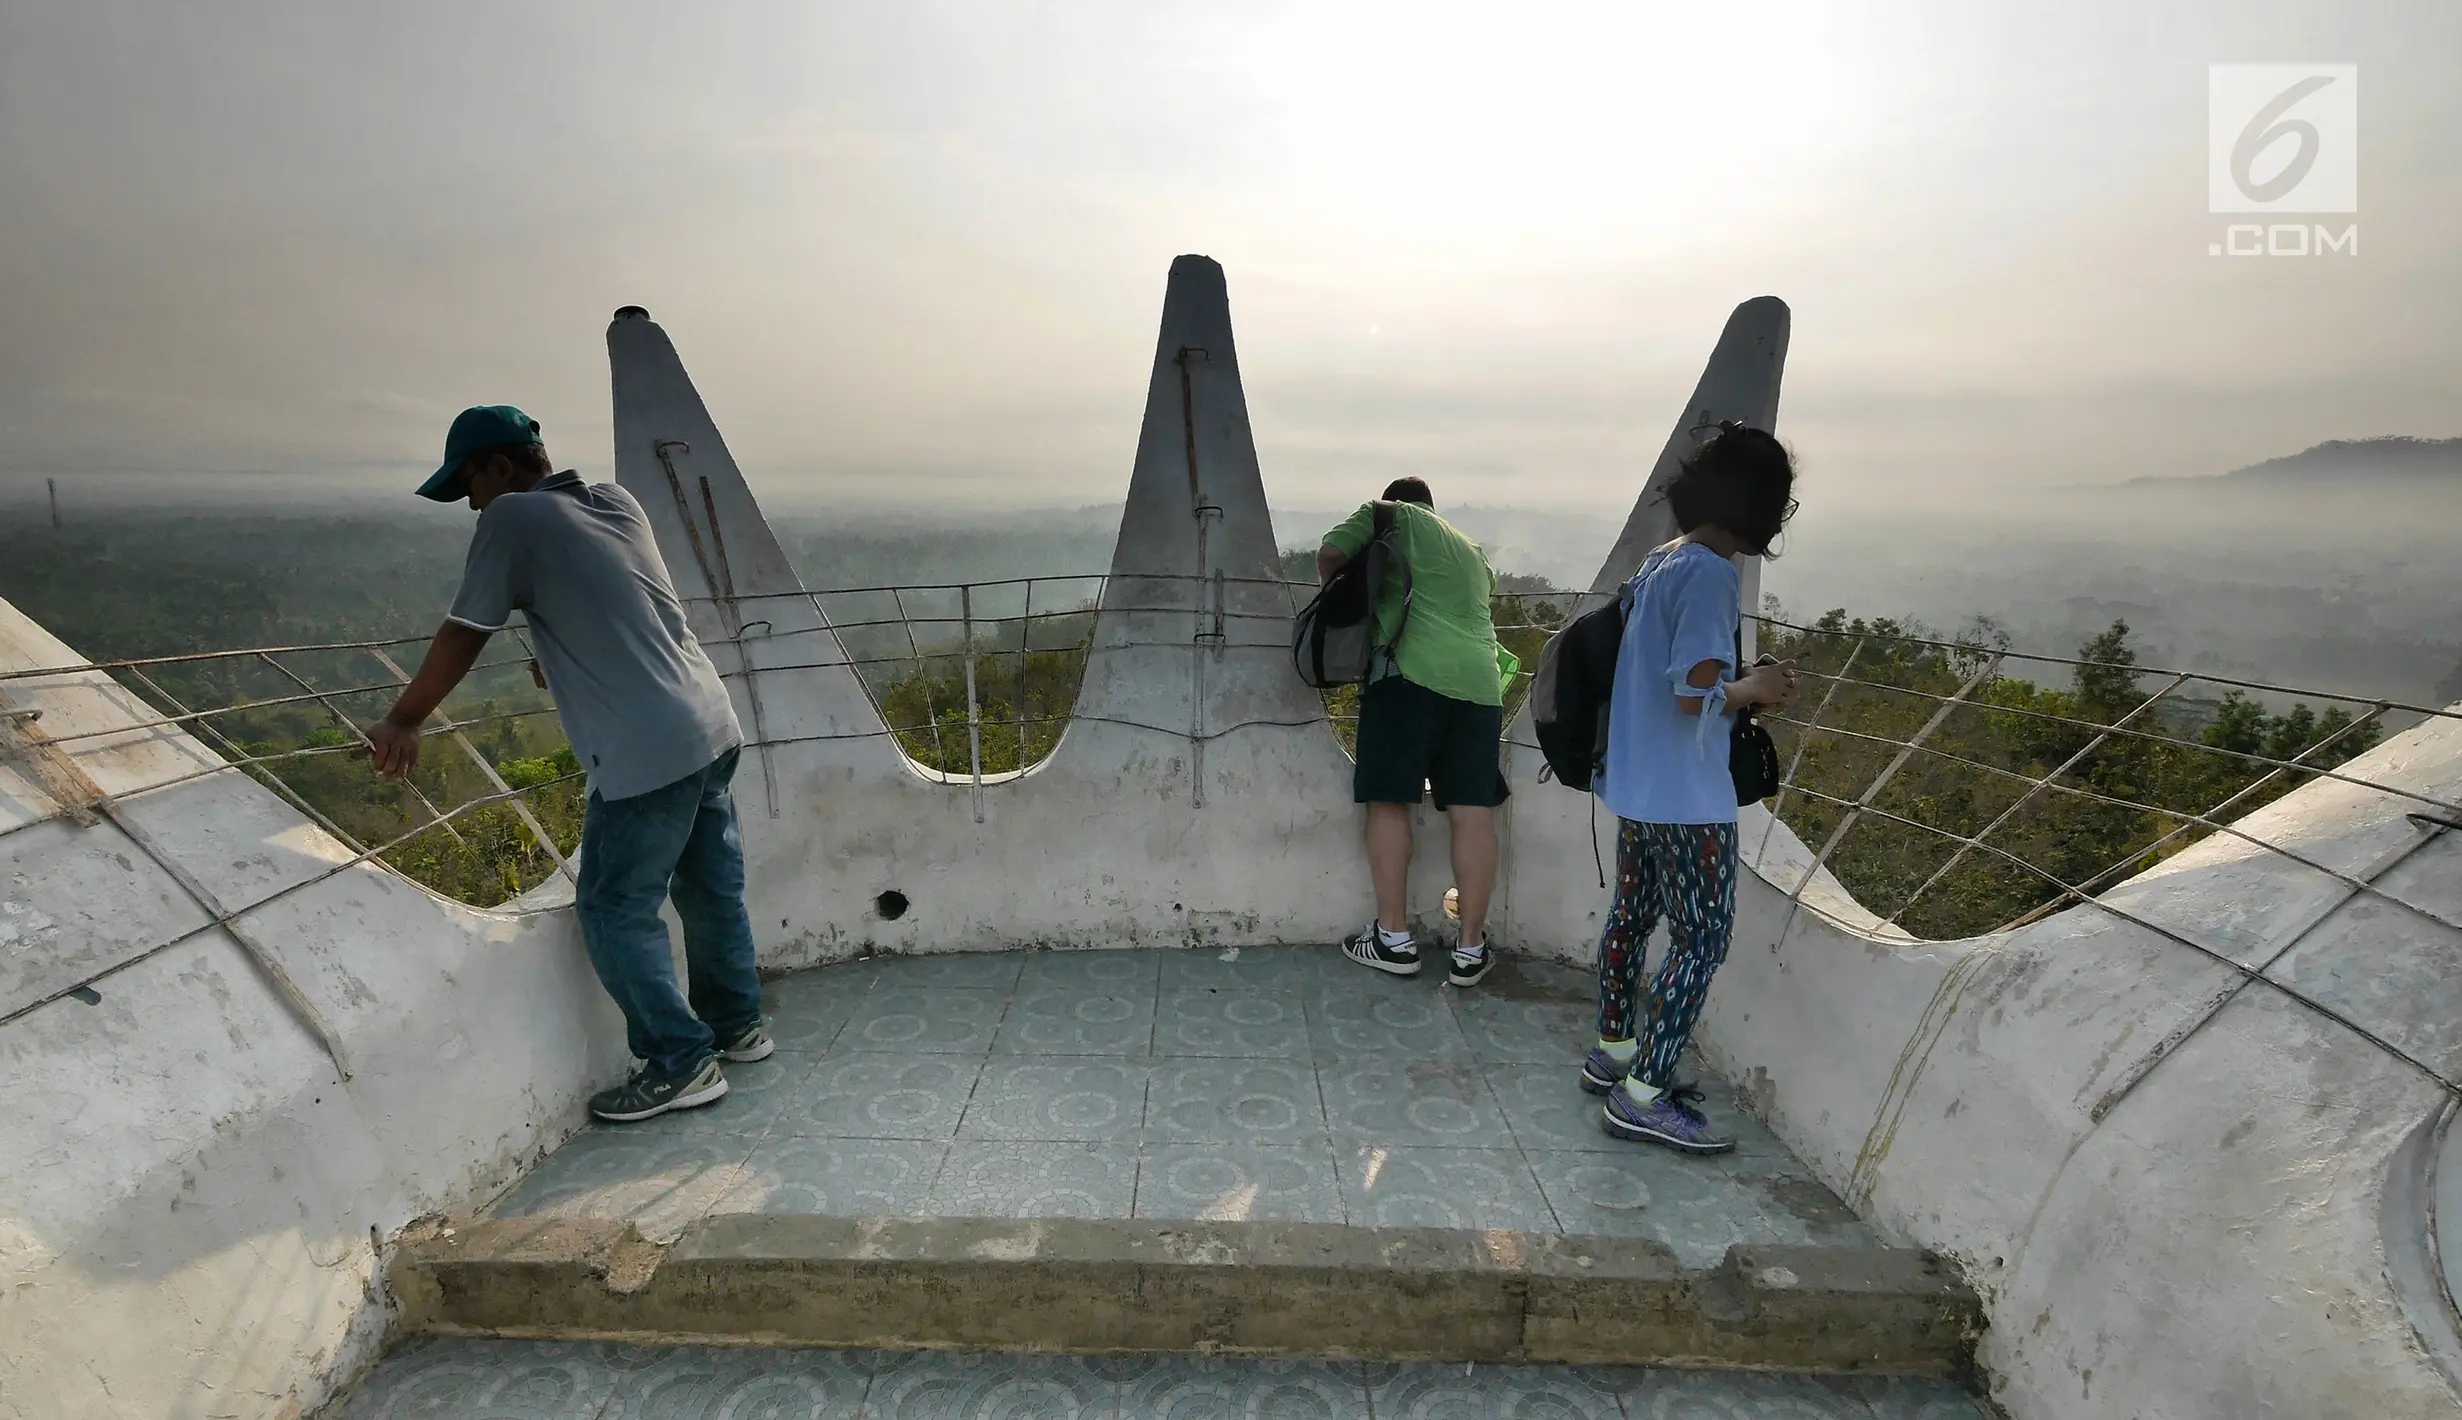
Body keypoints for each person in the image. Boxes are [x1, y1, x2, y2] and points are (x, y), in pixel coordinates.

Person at [363, 404, 768, 1124]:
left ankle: (680, 1061)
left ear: (499, 465)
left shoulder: (511, 518)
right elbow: (629, 607)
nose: (472, 506)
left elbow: (466, 630)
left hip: (645, 748)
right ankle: (738, 1027)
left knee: (613, 906)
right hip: (709, 720)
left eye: (469, 487)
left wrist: (404, 718)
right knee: (709, 887)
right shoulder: (616, 501)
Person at [1582, 421, 1799, 1153]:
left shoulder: (1660, 562)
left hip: (1637, 786)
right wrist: (1758, 687)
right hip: (1688, 799)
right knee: (1701, 940)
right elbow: (1694, 694)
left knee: (1631, 918)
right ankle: (1643, 1094)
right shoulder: (1710, 573)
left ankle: (1613, 1051)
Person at [1317, 477, 1517, 987]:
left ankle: (1393, 939)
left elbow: (1331, 552)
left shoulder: (1386, 514)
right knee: (1472, 811)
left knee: (1389, 801)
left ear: (1396, 501)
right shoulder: (1471, 549)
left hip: (1407, 675)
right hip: (1480, 685)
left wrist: (1351, 605)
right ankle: (1470, 949)